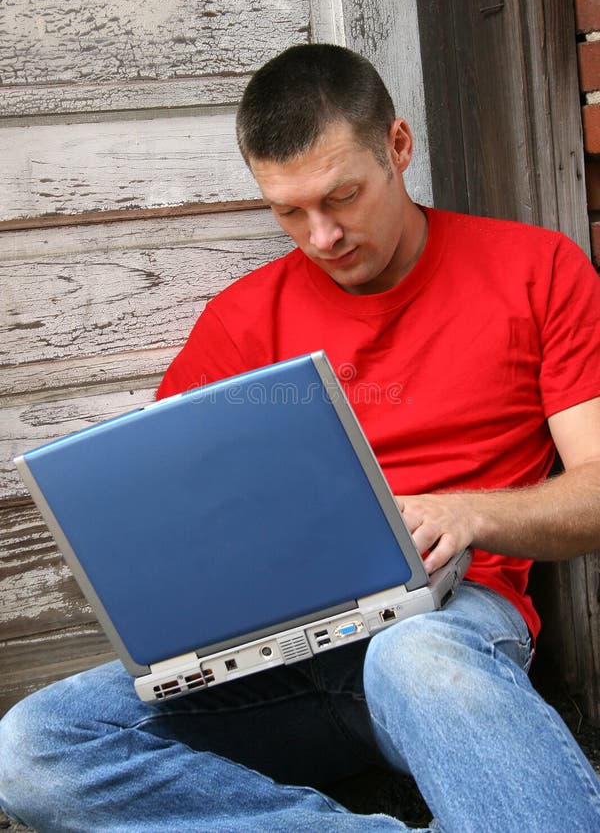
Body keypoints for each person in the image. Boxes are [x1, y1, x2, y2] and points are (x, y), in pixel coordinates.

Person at [1, 43, 600, 832]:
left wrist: (467, 514)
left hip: (446, 632)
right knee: (32, 748)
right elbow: (169, 518)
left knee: (413, 655)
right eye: (288, 211)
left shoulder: (536, 269)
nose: (322, 237)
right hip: (272, 662)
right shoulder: (242, 321)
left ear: (398, 145)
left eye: (342, 196)